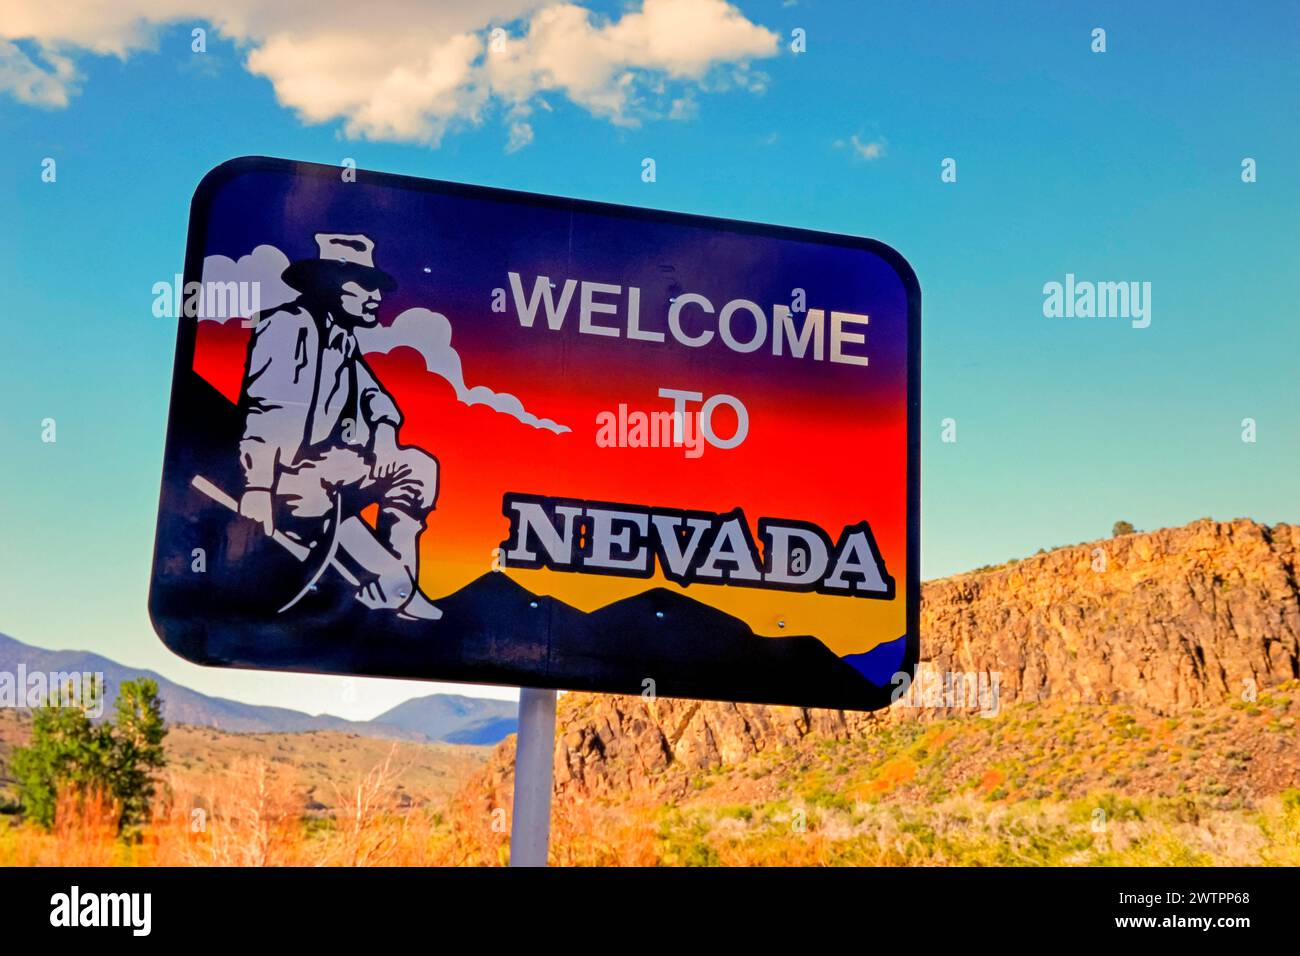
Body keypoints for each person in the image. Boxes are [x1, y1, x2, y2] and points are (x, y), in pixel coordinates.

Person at [236, 233, 442, 620]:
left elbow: (375, 395)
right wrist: (258, 487)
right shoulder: (285, 327)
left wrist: (383, 434)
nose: (376, 298)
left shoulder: (342, 339)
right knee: (317, 488)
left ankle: (400, 585)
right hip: (285, 475)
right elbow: (268, 410)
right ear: (328, 285)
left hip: (325, 466)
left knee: (417, 466)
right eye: (364, 286)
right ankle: (393, 583)